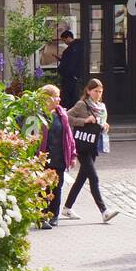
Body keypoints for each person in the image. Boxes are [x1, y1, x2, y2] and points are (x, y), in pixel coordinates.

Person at [62, 78, 119, 223]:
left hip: (93, 145)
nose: (98, 94)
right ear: (88, 91)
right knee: (93, 177)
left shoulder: (101, 106)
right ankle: (104, 210)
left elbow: (101, 122)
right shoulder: (82, 104)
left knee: (82, 178)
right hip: (82, 144)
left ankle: (67, 207)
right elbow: (67, 117)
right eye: (95, 91)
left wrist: (105, 125)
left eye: (100, 92)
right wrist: (84, 121)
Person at [38, 83, 74, 230]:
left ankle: (54, 215)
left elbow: (69, 137)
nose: (58, 99)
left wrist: (72, 155)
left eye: (59, 96)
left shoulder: (62, 115)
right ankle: (42, 216)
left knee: (57, 188)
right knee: (43, 188)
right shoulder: (37, 115)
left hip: (59, 157)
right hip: (43, 157)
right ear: (46, 98)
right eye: (55, 96)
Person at [57, 29, 84, 108]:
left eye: (64, 40)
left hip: (70, 77)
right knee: (72, 97)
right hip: (72, 76)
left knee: (70, 97)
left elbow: (72, 63)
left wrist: (68, 73)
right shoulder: (76, 47)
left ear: (68, 37)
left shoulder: (73, 48)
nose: (64, 42)